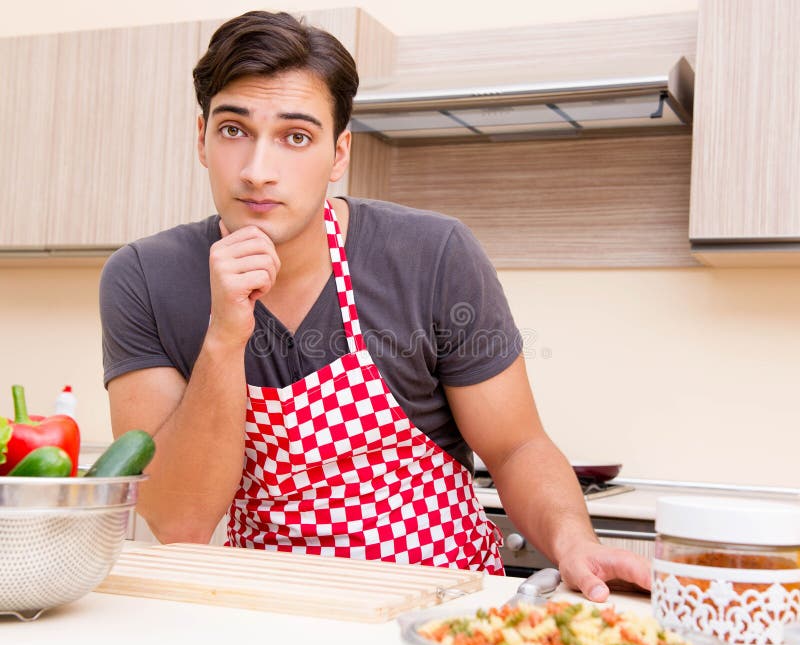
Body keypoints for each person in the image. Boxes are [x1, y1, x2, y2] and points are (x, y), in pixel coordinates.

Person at [100, 10, 650, 601]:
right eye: (235, 130)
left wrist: (574, 541)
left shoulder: (432, 254)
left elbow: (516, 447)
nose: (259, 171)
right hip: (268, 612)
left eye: (296, 137)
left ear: (338, 155)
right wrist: (224, 337)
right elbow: (177, 523)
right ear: (202, 138)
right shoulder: (143, 278)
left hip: (446, 606)